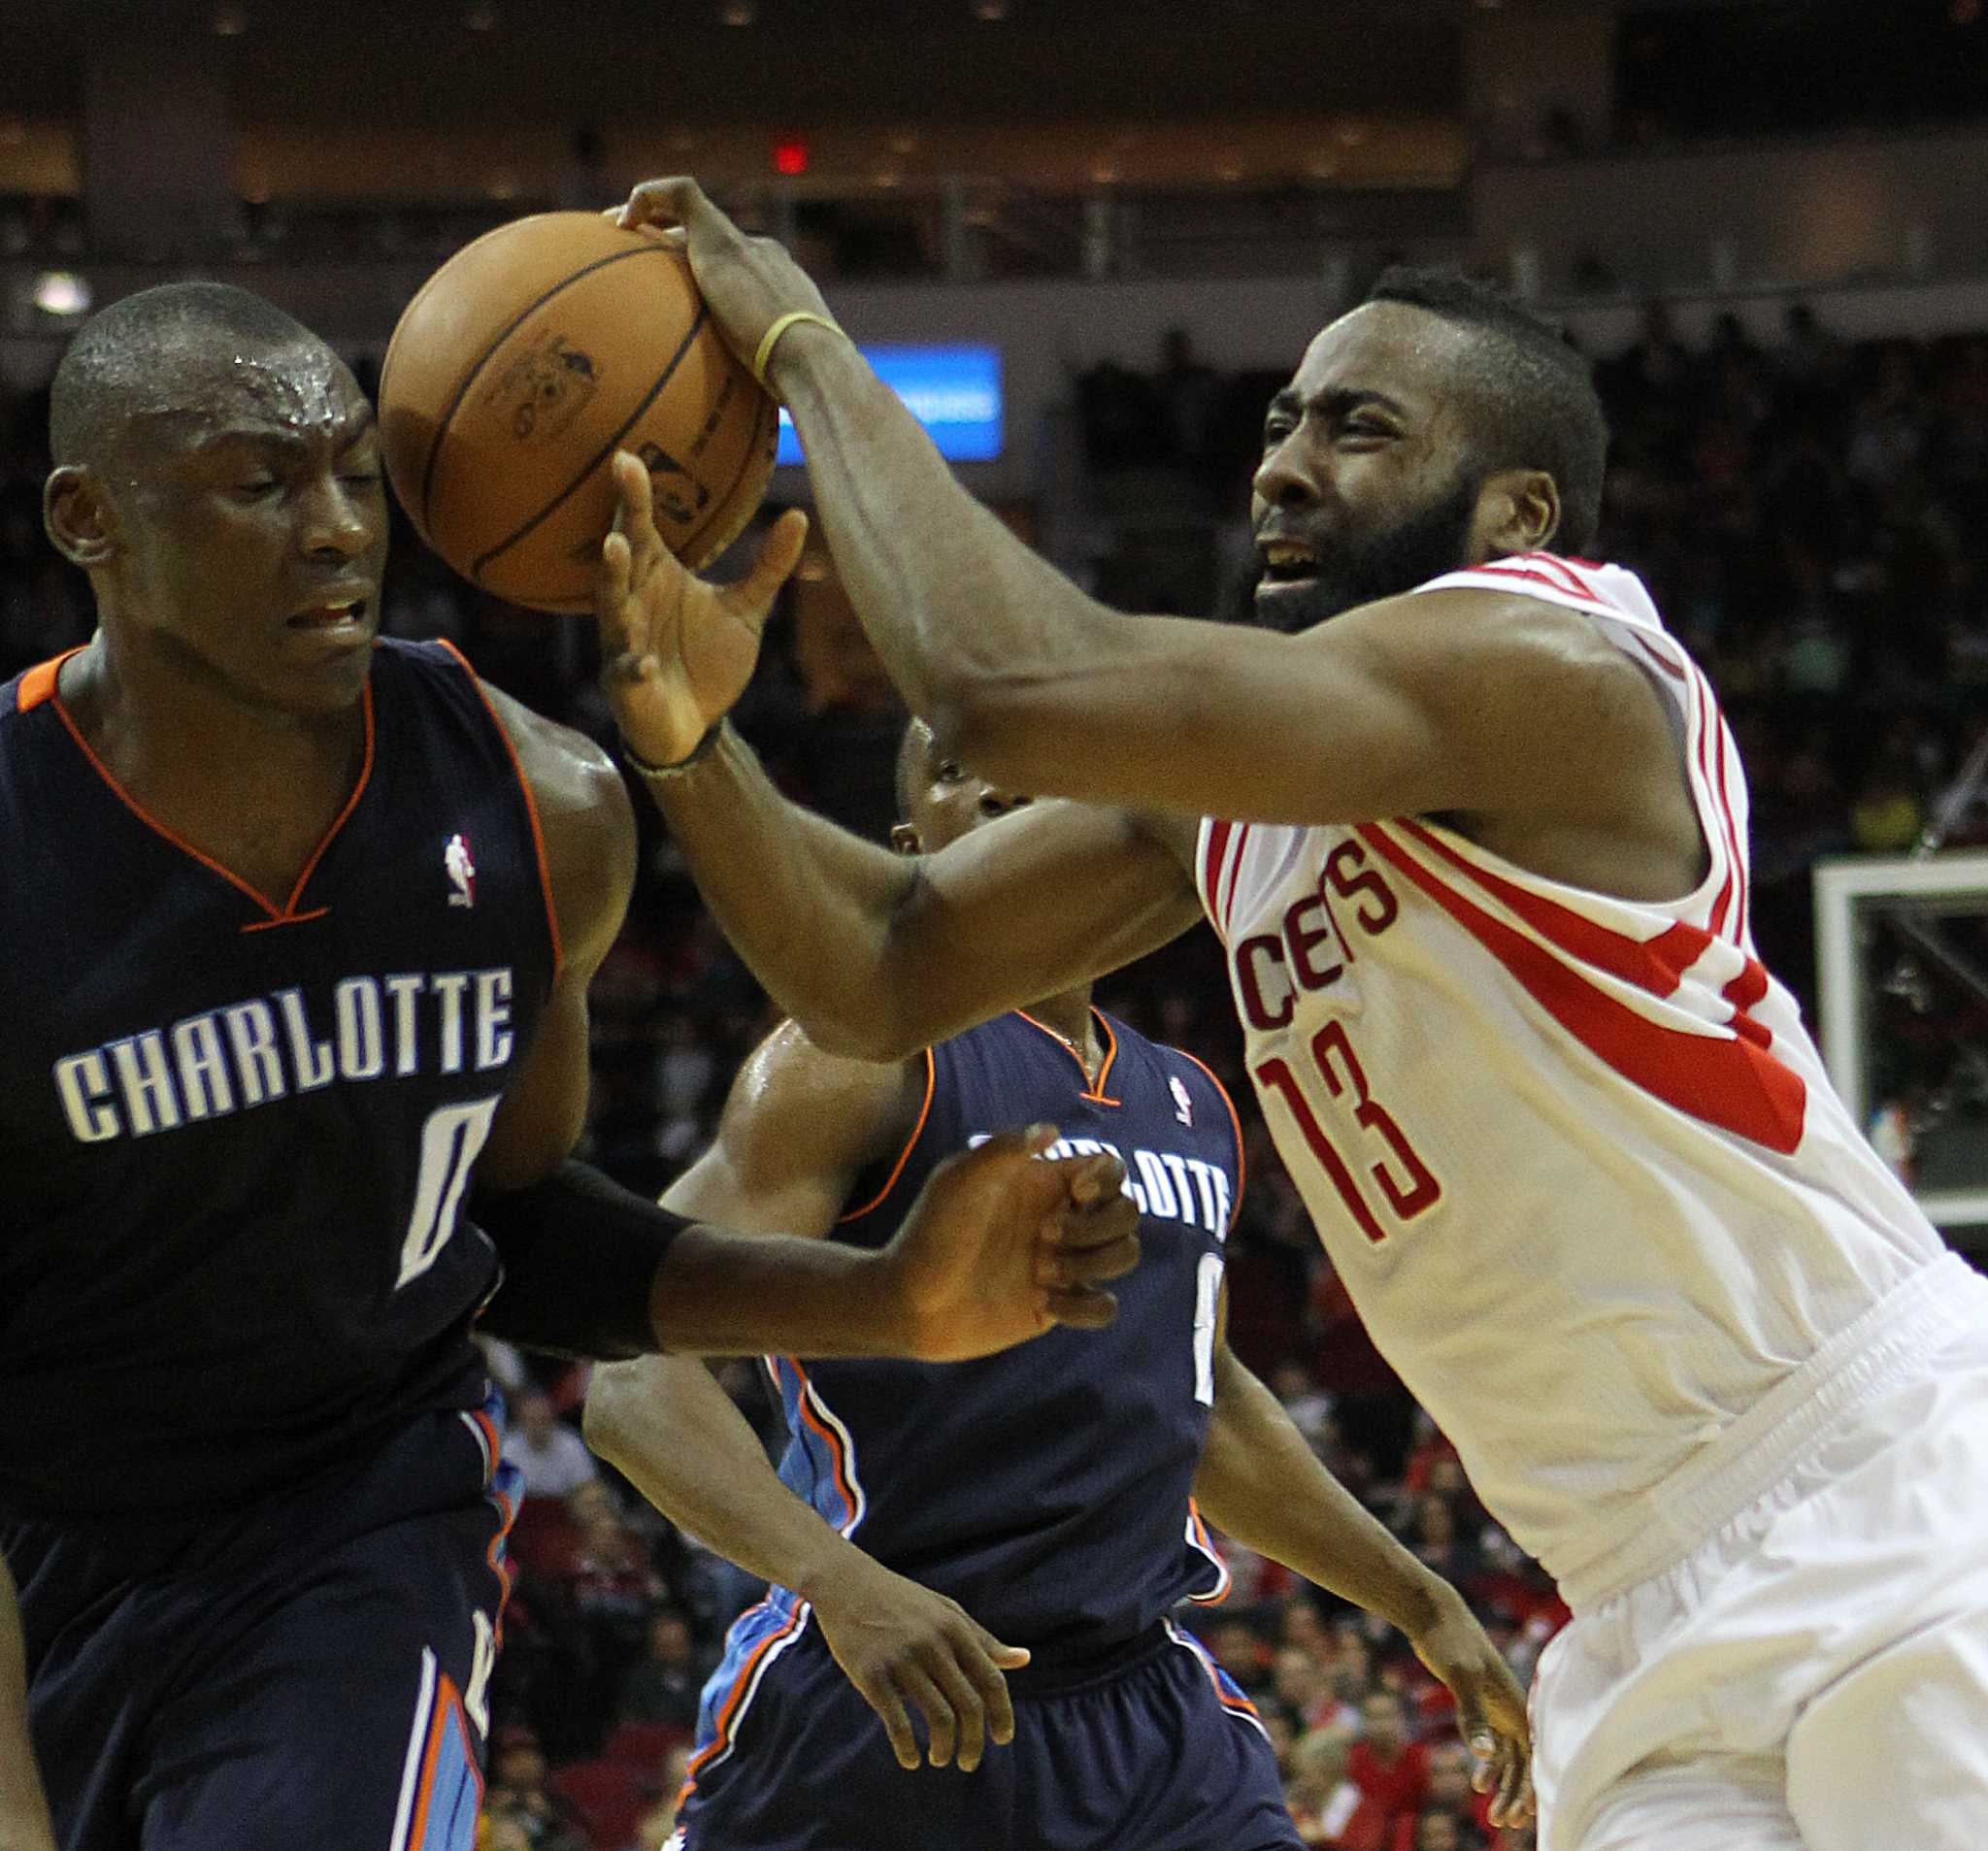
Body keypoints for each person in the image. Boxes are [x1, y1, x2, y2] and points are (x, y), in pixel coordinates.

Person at [587, 178, 1988, 1851]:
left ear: (1507, 510)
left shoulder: (1561, 669)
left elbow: (999, 691)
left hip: (1881, 1489)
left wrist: (802, 341)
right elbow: (874, 962)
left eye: (1356, 427)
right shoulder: (1231, 807)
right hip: (1627, 1581)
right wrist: (686, 740)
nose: (1277, 463)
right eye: (1276, 419)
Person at [0, 281, 1142, 1851]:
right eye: (261, 483)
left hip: (346, 1520)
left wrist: (888, 1301)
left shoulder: (537, 805)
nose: (336, 527)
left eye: (350, 472)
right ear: (90, 519)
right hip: (37, 1533)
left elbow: (524, 1232)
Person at [583, 721, 1531, 1849]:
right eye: (952, 766)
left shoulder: (1186, 1098)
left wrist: (1420, 1599)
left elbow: (1206, 1407)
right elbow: (632, 1372)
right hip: (883, 1693)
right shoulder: (855, 1060)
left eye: (1026, 751)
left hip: (1146, 1713)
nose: (994, 778)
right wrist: (834, 1582)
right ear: (908, 849)